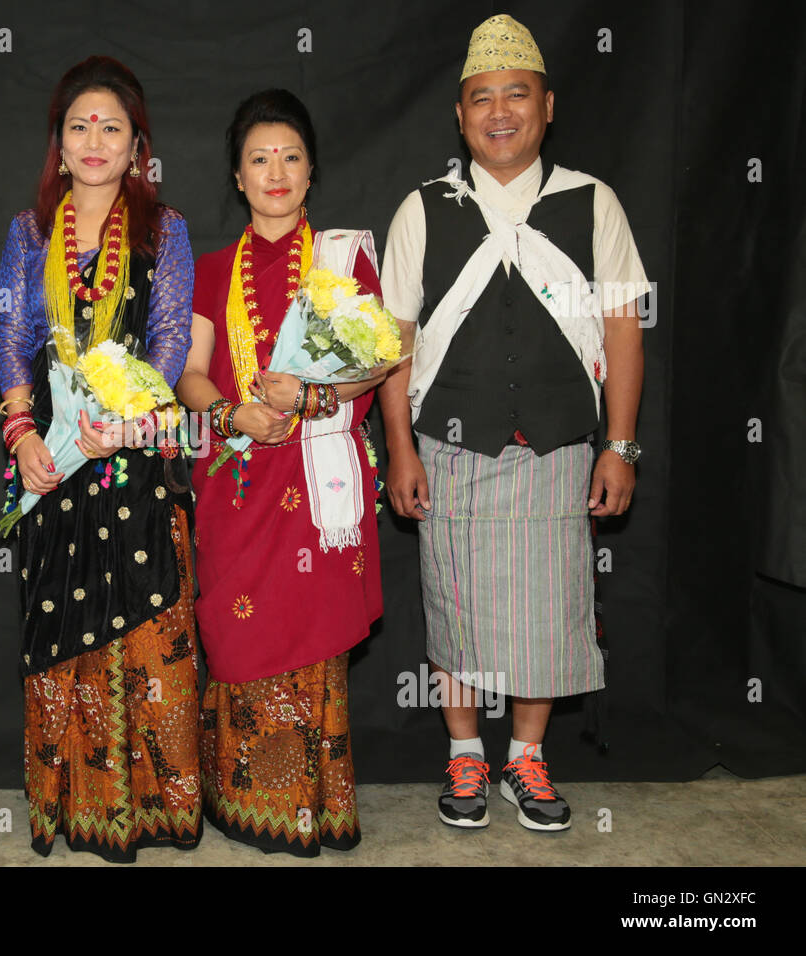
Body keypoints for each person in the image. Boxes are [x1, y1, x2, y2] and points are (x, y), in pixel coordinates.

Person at [378, 14, 648, 831]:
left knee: (552, 609)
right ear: (460, 117)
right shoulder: (423, 210)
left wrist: (621, 445)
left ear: (547, 105)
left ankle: (527, 758)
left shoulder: (591, 202)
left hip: (561, 446)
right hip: (449, 447)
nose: (500, 112)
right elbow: (394, 342)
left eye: (517, 95)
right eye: (481, 99)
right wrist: (397, 449)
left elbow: (623, 329)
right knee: (453, 604)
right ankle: (466, 756)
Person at [0, 55, 201, 863]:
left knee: (151, 637)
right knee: (62, 639)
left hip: (136, 457)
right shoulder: (29, 232)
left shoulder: (163, 230)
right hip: (52, 461)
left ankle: (154, 812)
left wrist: (129, 415)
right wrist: (24, 434)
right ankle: (72, 808)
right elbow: (11, 339)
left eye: (111, 127)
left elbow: (172, 338)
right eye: (79, 125)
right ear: (59, 141)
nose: (94, 140)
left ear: (136, 145)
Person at [176, 90, 388, 856]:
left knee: (312, 633)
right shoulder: (209, 268)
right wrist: (235, 416)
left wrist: (311, 396)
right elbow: (191, 375)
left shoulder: (344, 259)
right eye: (259, 158)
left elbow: (375, 365)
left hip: (319, 476)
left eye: (291, 157)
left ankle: (315, 805)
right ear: (237, 175)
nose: (276, 171)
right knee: (238, 636)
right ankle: (248, 802)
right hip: (237, 479)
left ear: (311, 171)